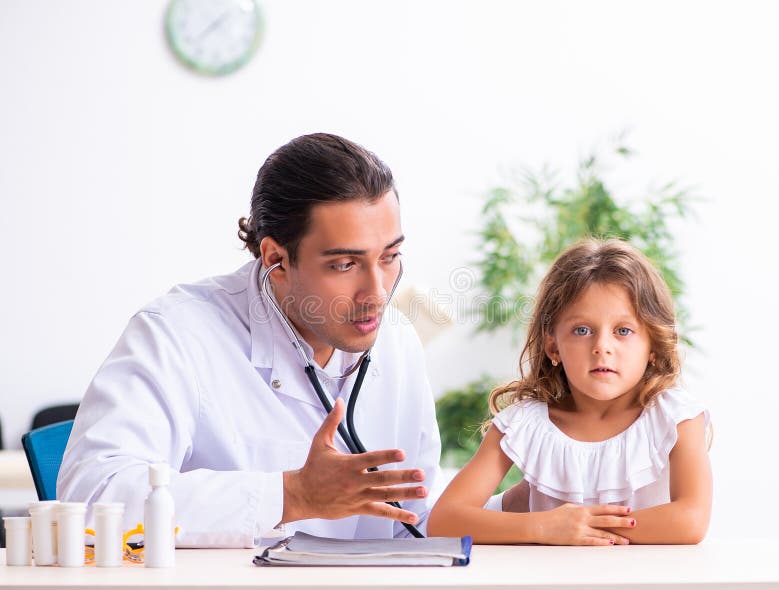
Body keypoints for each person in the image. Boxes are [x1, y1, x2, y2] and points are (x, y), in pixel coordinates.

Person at [58, 133, 442, 547]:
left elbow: (414, 518)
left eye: (389, 257)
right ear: (276, 259)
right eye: (345, 264)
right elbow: (92, 498)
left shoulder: (397, 340)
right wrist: (292, 495)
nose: (378, 293)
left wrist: (513, 505)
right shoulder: (177, 333)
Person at [428, 238, 712, 545]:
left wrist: (581, 527)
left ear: (653, 346)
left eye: (623, 331)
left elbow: (691, 520)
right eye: (582, 330)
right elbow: (444, 521)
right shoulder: (524, 424)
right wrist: (544, 528)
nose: (602, 347)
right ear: (554, 346)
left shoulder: (675, 417)